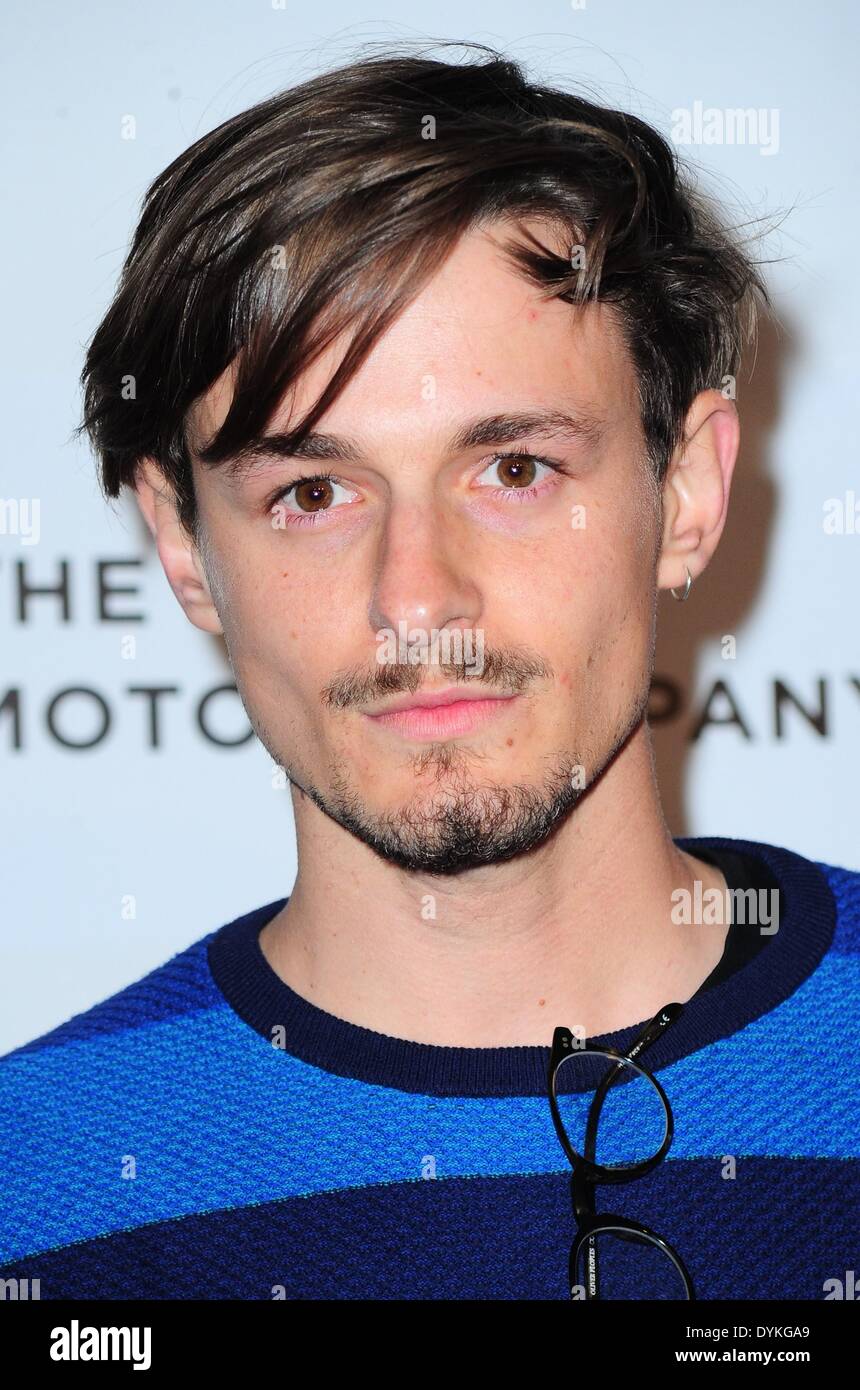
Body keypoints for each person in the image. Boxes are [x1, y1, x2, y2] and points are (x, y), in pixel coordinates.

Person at [1, 44, 857, 1301]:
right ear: (182, 547)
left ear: (684, 493)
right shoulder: (35, 1186)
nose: (415, 599)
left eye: (514, 470)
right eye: (311, 492)